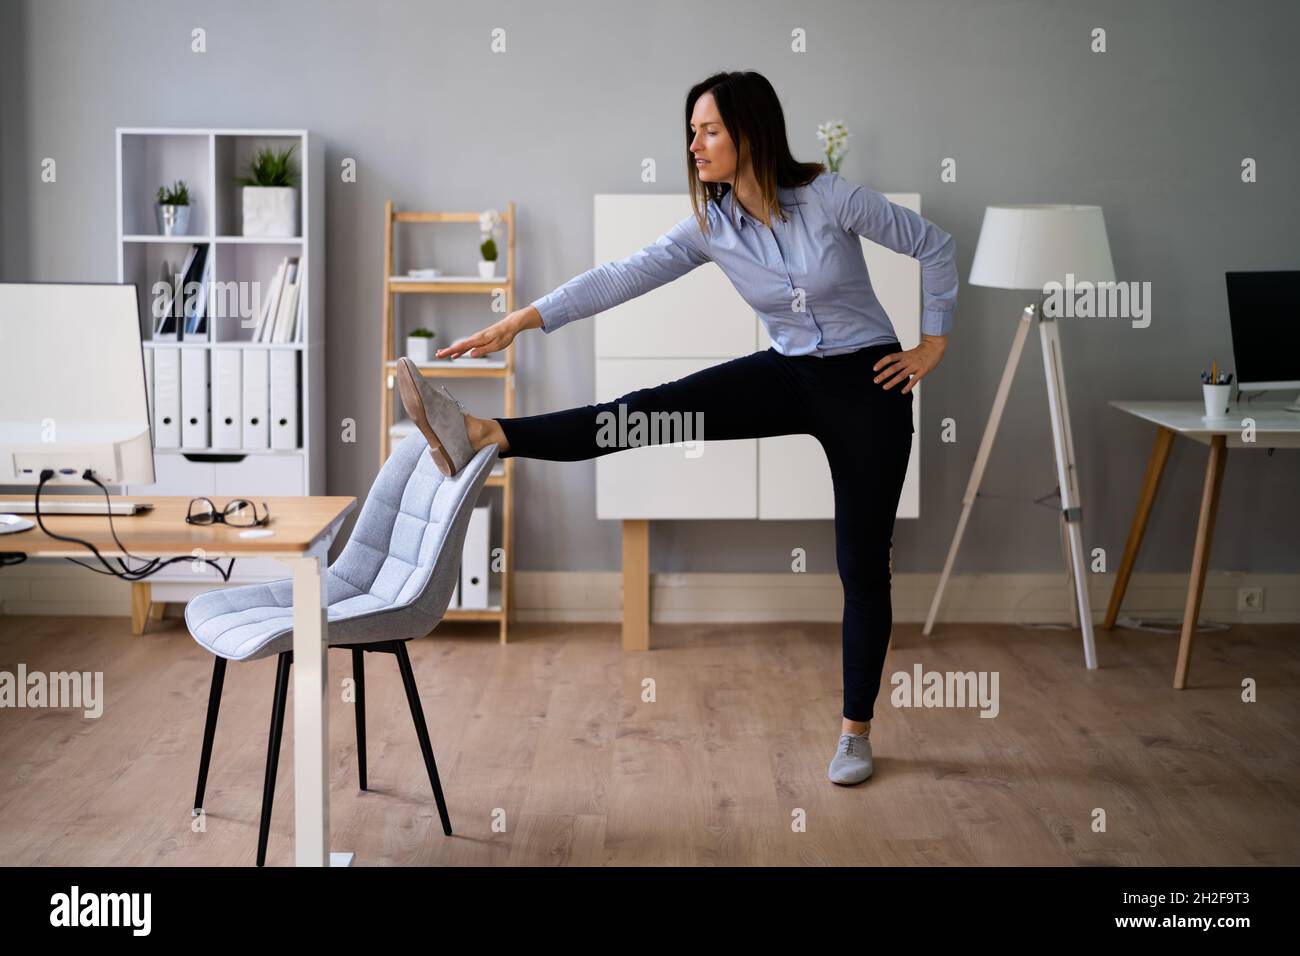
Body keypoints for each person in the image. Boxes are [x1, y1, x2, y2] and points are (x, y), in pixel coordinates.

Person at [396, 69, 957, 786]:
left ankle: (855, 733)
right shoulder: (711, 227)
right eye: (691, 131)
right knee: (645, 414)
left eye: (709, 130)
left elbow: (933, 245)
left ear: (751, 133)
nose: (694, 145)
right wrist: (520, 321)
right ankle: (488, 435)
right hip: (788, 377)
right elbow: (621, 276)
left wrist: (931, 344)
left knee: (861, 564)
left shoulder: (829, 198)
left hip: (868, 386)